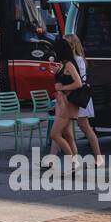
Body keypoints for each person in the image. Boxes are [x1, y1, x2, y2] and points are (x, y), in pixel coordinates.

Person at [64, 34, 103, 165]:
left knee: (83, 126)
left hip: (77, 96)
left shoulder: (76, 60)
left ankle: (97, 157)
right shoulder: (76, 59)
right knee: (64, 128)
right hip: (76, 96)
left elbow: (76, 80)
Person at [49, 37, 85, 168]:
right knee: (68, 135)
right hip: (62, 103)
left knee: (54, 134)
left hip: (67, 104)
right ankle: (75, 163)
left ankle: (73, 163)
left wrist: (62, 88)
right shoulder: (64, 64)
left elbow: (78, 83)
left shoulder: (69, 64)